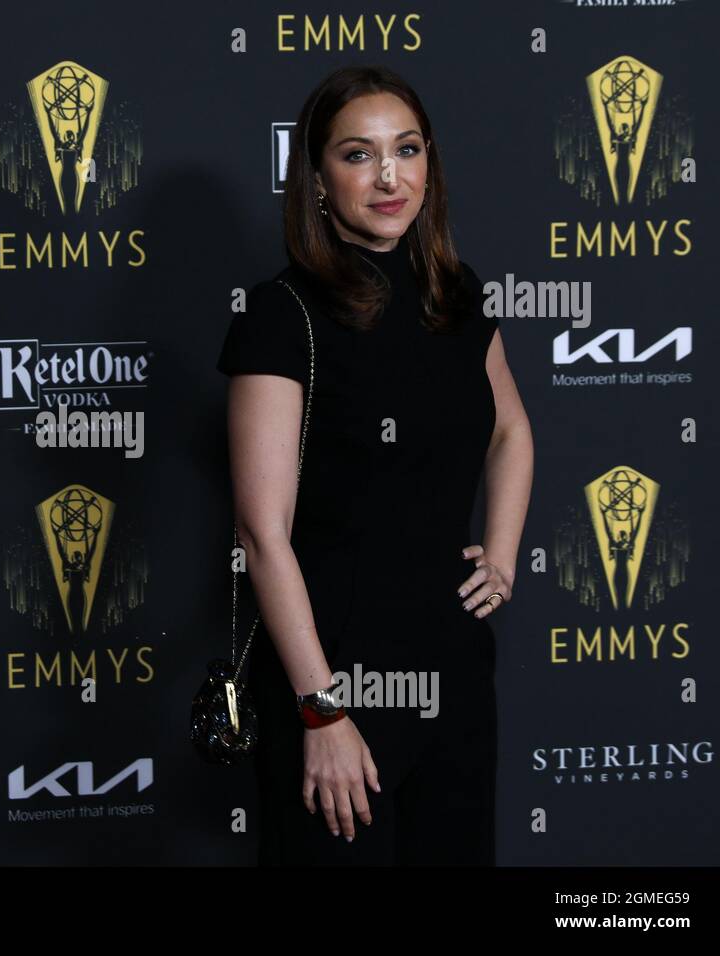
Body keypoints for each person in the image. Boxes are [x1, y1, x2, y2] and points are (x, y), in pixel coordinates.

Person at [217, 66, 533, 865]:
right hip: (331, 679)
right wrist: (322, 713)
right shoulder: (280, 317)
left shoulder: (456, 295)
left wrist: (499, 556)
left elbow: (511, 432)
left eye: (407, 149)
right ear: (317, 181)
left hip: (455, 672)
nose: (389, 176)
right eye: (358, 155)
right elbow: (262, 534)